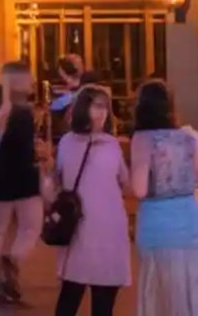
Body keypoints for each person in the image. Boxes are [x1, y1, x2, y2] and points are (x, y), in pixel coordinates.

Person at [129, 80, 198, 316]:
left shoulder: (142, 139)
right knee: (197, 293)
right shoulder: (191, 137)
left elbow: (139, 189)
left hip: (157, 225)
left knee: (160, 295)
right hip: (192, 221)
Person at [49, 85, 130, 316]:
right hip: (94, 227)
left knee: (76, 290)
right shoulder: (105, 145)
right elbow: (126, 181)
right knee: (86, 293)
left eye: (105, 107)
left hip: (94, 227)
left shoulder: (68, 143)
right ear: (84, 108)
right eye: (97, 106)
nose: (103, 112)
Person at [0, 62, 42, 304]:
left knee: (25, 226)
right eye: (28, 78)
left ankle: (3, 268)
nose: (32, 82)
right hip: (11, 174)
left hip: (16, 173)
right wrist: (5, 102)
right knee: (6, 226)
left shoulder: (26, 109)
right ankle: (2, 269)